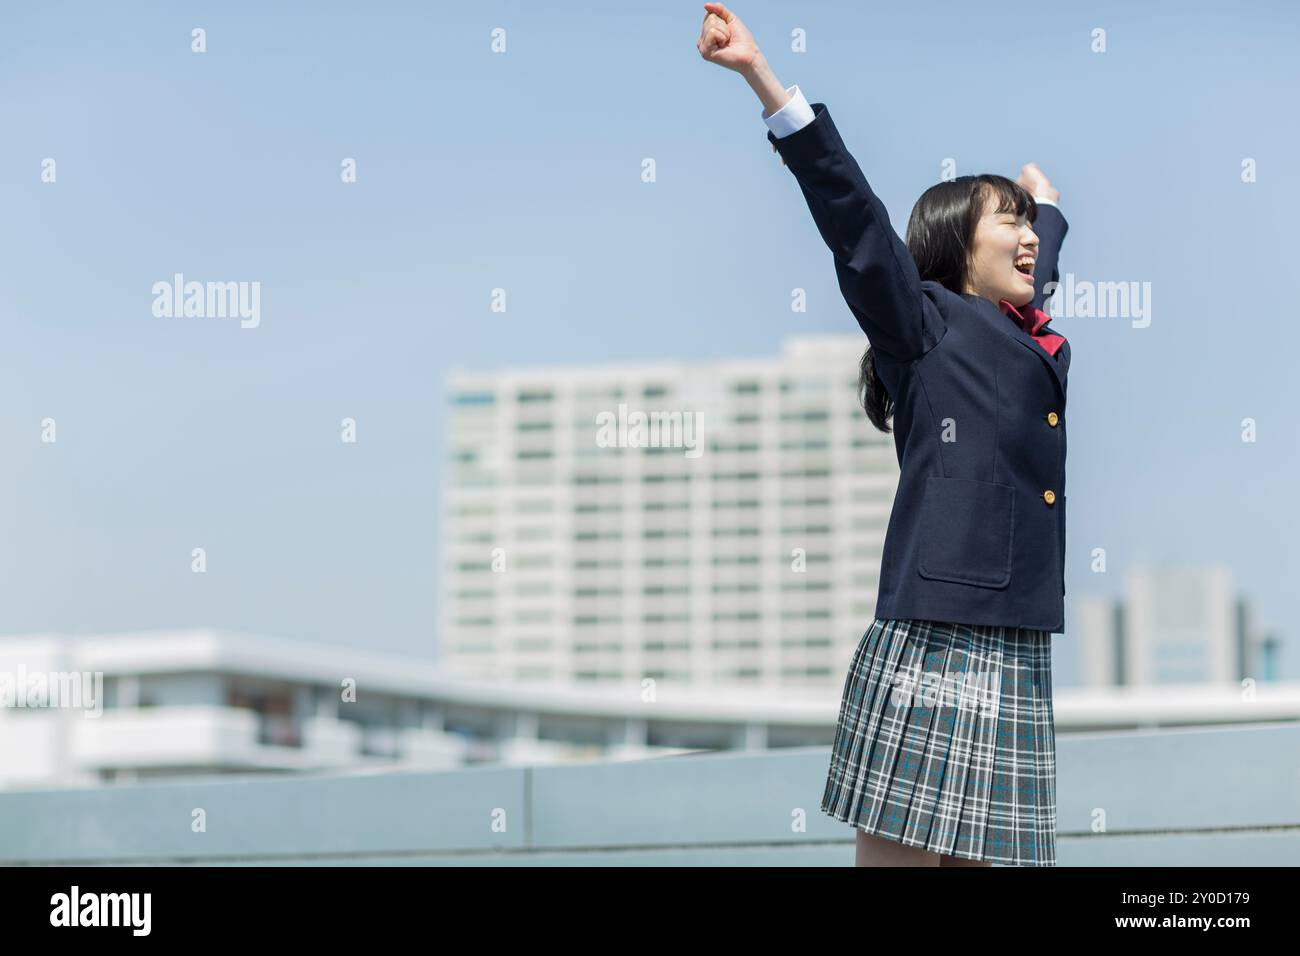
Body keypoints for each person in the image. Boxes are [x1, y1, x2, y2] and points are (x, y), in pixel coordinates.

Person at [697, 3, 1072, 867]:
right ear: (954, 247)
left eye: (1028, 226)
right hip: (937, 629)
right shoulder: (925, 325)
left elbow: (1037, 275)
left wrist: (1045, 214)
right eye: (1006, 221)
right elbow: (853, 218)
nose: (1027, 239)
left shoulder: (1026, 330)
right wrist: (764, 80)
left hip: (1014, 632)